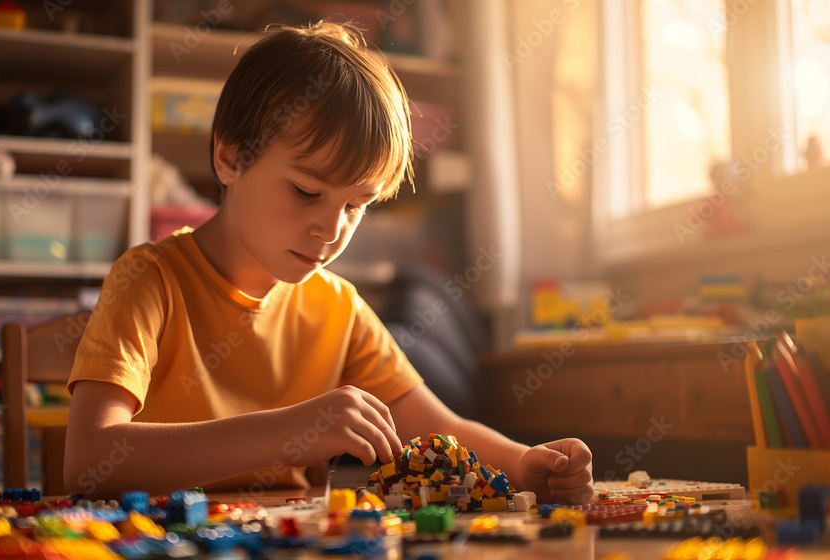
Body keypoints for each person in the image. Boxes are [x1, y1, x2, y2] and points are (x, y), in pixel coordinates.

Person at [64, 21, 594, 503]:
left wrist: (523, 464)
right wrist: (288, 433)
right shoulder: (148, 279)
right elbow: (89, 462)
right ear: (230, 157)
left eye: (356, 205)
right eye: (305, 190)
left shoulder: (336, 305)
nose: (332, 228)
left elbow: (438, 429)